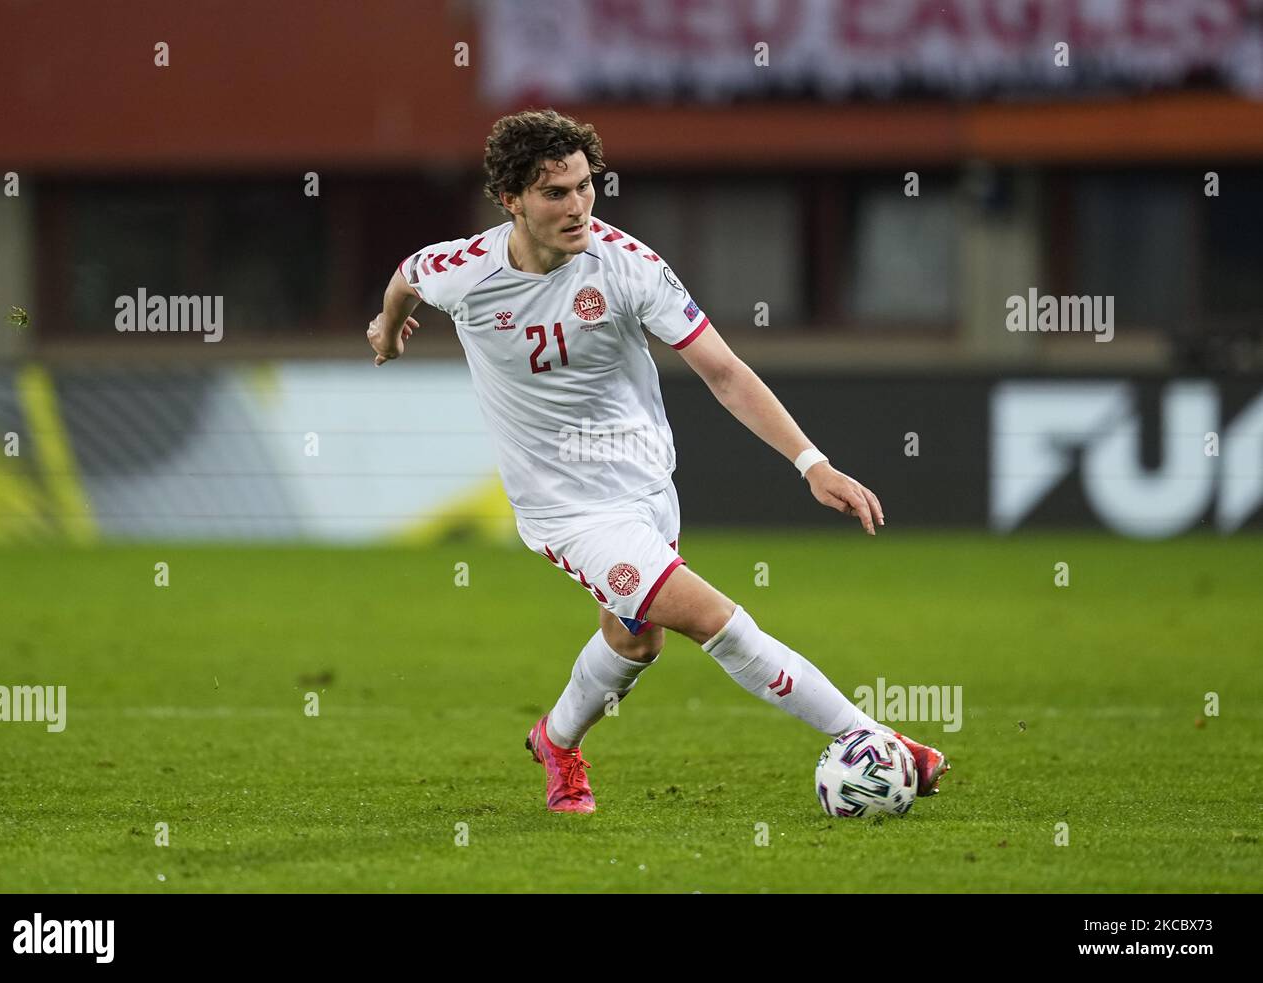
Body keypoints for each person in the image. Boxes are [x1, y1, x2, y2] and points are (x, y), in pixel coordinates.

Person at [367, 109, 948, 813]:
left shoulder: (629, 266)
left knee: (636, 643)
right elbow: (408, 274)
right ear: (512, 199)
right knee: (714, 619)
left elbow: (725, 371)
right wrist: (389, 329)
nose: (579, 205)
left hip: (644, 484)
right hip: (565, 509)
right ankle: (876, 739)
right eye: (556, 193)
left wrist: (811, 462)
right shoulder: (467, 273)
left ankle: (555, 741)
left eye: (587, 186)